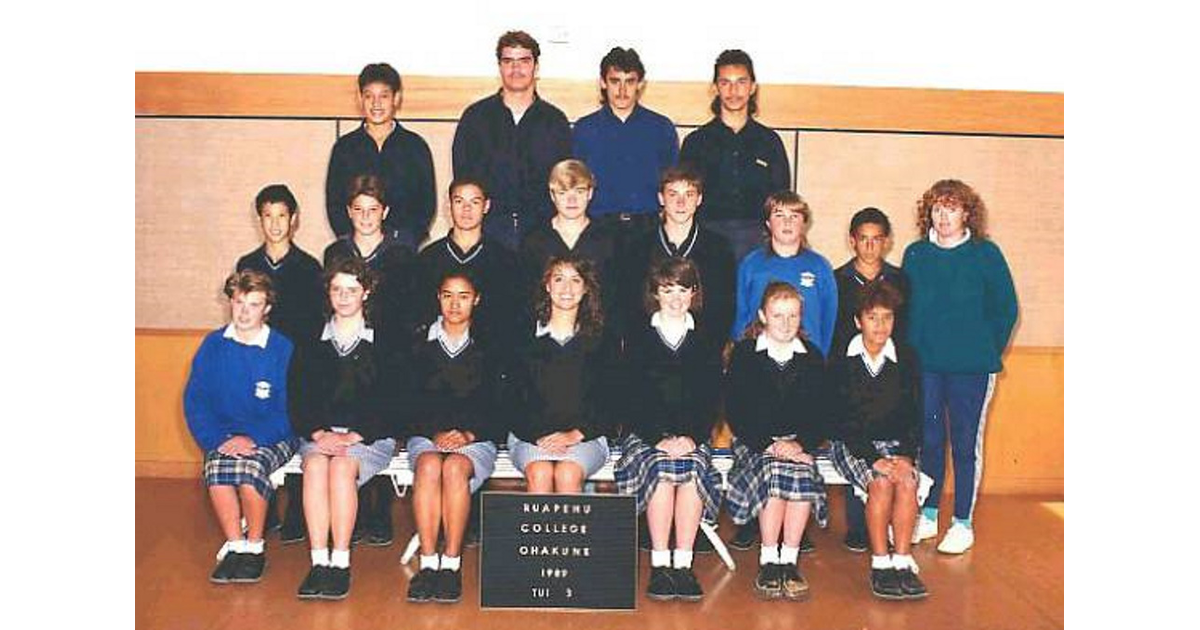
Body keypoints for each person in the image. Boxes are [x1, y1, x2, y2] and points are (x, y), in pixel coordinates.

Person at [902, 179, 1017, 555]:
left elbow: (1006, 310)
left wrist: (982, 349)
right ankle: (930, 513)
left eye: (951, 208)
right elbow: (905, 310)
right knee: (930, 441)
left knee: (965, 444)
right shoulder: (916, 254)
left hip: (971, 368)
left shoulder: (986, 254)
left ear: (966, 212)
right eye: (936, 208)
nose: (943, 216)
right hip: (927, 367)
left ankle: (962, 521)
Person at [288, 258, 402, 600]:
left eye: (351, 289)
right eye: (336, 289)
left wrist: (355, 435)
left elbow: (394, 400)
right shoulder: (311, 340)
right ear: (328, 292)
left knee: (340, 469)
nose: (343, 296)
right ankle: (318, 560)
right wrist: (318, 432)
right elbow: (299, 395)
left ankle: (340, 562)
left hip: (368, 436)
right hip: (320, 434)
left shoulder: (385, 340)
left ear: (365, 292)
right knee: (315, 466)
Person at [616, 258, 722, 602]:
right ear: (655, 293)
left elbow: (711, 397)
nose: (675, 298)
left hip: (692, 434)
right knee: (661, 472)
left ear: (693, 294)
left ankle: (683, 564)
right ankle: (661, 564)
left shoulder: (706, 338)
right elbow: (630, 397)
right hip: (647, 435)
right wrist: (657, 438)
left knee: (691, 473)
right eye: (667, 290)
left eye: (683, 289)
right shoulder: (637, 337)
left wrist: (692, 436)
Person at [183, 270, 297, 584]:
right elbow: (196, 400)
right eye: (239, 303)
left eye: (254, 304)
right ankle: (235, 544)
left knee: (249, 471)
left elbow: (291, 409)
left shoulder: (281, 348)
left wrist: (255, 438)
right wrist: (216, 439)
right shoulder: (213, 345)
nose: (244, 312)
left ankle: (254, 547)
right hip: (225, 436)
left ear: (267, 308)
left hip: (273, 433)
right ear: (231, 303)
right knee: (216, 469)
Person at [323, 174, 414, 546]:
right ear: (348, 212)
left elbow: (410, 309)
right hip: (347, 347)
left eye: (373, 210)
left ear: (385, 212)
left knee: (376, 423)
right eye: (358, 210)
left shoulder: (401, 254)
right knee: (349, 421)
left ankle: (380, 511)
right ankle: (354, 509)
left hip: (388, 350)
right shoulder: (335, 254)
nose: (365, 217)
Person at [403, 271, 505, 604]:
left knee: (454, 469)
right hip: (429, 435)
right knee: (430, 465)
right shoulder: (419, 343)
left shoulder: (491, 344)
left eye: (463, 296)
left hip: (476, 438)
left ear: (476, 299)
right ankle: (428, 562)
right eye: (447, 295)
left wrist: (468, 433)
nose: (455, 303)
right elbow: (408, 402)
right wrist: (436, 433)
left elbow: (500, 405)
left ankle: (451, 563)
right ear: (438, 298)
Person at [724, 281, 828, 601]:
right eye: (778, 315)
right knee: (773, 472)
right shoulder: (744, 354)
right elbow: (736, 411)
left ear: (801, 318)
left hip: (797, 444)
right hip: (755, 442)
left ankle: (789, 561)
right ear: (762, 316)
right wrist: (768, 444)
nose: (785, 323)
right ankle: (769, 559)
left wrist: (801, 444)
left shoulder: (811, 357)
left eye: (793, 316)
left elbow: (822, 413)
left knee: (799, 474)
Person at [235, 183, 324, 544]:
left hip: (295, 363)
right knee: (256, 426)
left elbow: (314, 324)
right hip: (256, 363)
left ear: (294, 219)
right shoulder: (248, 265)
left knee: (298, 430)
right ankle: (264, 507)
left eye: (282, 216)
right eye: (267, 216)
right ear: (260, 220)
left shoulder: (307, 267)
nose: (275, 224)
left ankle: (300, 515)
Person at [828, 282, 927, 599]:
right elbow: (843, 421)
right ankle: (881, 563)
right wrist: (874, 459)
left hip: (896, 444)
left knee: (908, 481)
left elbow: (914, 414)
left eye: (887, 318)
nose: (881, 326)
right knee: (881, 482)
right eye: (873, 318)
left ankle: (902, 560)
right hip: (853, 444)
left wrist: (906, 456)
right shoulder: (843, 361)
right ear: (858, 321)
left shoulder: (906, 359)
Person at [829, 206, 910, 553]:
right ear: (852, 242)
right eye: (863, 239)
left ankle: (891, 533)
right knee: (856, 428)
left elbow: (904, 328)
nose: (870, 246)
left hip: (885, 367)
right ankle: (857, 525)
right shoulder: (838, 279)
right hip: (850, 367)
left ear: (887, 242)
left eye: (877, 239)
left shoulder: (899, 279)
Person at [452, 30, 572, 251]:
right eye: (508, 61)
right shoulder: (475, 119)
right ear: (499, 67)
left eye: (524, 61)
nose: (516, 69)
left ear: (536, 68)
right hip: (488, 234)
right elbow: (464, 180)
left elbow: (565, 183)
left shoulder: (555, 121)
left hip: (542, 234)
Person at [508, 255, 613, 493]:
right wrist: (538, 436)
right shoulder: (523, 339)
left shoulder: (601, 341)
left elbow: (610, 401)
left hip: (585, 437)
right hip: (531, 436)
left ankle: (570, 532)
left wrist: (575, 435)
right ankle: (540, 532)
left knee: (567, 472)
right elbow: (510, 400)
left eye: (576, 280)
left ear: (586, 288)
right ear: (547, 286)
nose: (567, 288)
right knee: (540, 471)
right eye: (558, 279)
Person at [679, 49, 790, 262]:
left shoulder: (770, 142)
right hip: (708, 240)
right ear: (715, 88)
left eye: (741, 82)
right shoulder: (696, 143)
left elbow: (781, 200)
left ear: (752, 87)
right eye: (725, 83)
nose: (733, 91)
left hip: (759, 240)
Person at [621, 166, 735, 353]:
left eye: (689, 195)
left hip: (701, 352)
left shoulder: (718, 248)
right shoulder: (639, 248)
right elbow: (630, 306)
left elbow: (723, 308)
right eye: (673, 194)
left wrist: (706, 347)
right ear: (661, 198)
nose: (681, 203)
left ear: (699, 199)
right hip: (649, 354)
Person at [572, 46, 679, 244]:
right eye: (615, 81)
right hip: (598, 228)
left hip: (649, 229)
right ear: (603, 82)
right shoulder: (584, 129)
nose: (622, 90)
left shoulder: (661, 128)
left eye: (629, 81)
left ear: (640, 84)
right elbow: (574, 185)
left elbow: (672, 183)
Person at [324, 62, 436, 249]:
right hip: (356, 250)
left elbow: (426, 205)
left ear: (396, 98)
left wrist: (406, 242)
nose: (376, 104)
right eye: (369, 96)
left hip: (402, 250)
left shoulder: (415, 146)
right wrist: (352, 243)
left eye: (384, 96)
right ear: (360, 99)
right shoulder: (344, 148)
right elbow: (334, 203)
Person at [414, 177, 520, 352]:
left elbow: (511, 320)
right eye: (459, 201)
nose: (466, 209)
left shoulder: (504, 260)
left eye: (475, 202)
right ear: (449, 206)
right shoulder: (429, 258)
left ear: (486, 206)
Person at [518, 159, 620, 343]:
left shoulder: (608, 239)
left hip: (597, 340)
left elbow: (614, 299)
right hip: (545, 341)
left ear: (590, 193)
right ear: (552, 195)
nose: (571, 200)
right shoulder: (535, 241)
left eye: (579, 192)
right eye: (563, 192)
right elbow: (526, 298)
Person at [732, 191, 837, 357]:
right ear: (768, 222)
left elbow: (829, 321)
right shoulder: (751, 265)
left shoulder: (820, 267)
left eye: (794, 216)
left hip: (806, 363)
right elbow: (740, 319)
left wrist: (820, 359)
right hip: (760, 362)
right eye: (779, 215)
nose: (787, 222)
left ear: (804, 223)